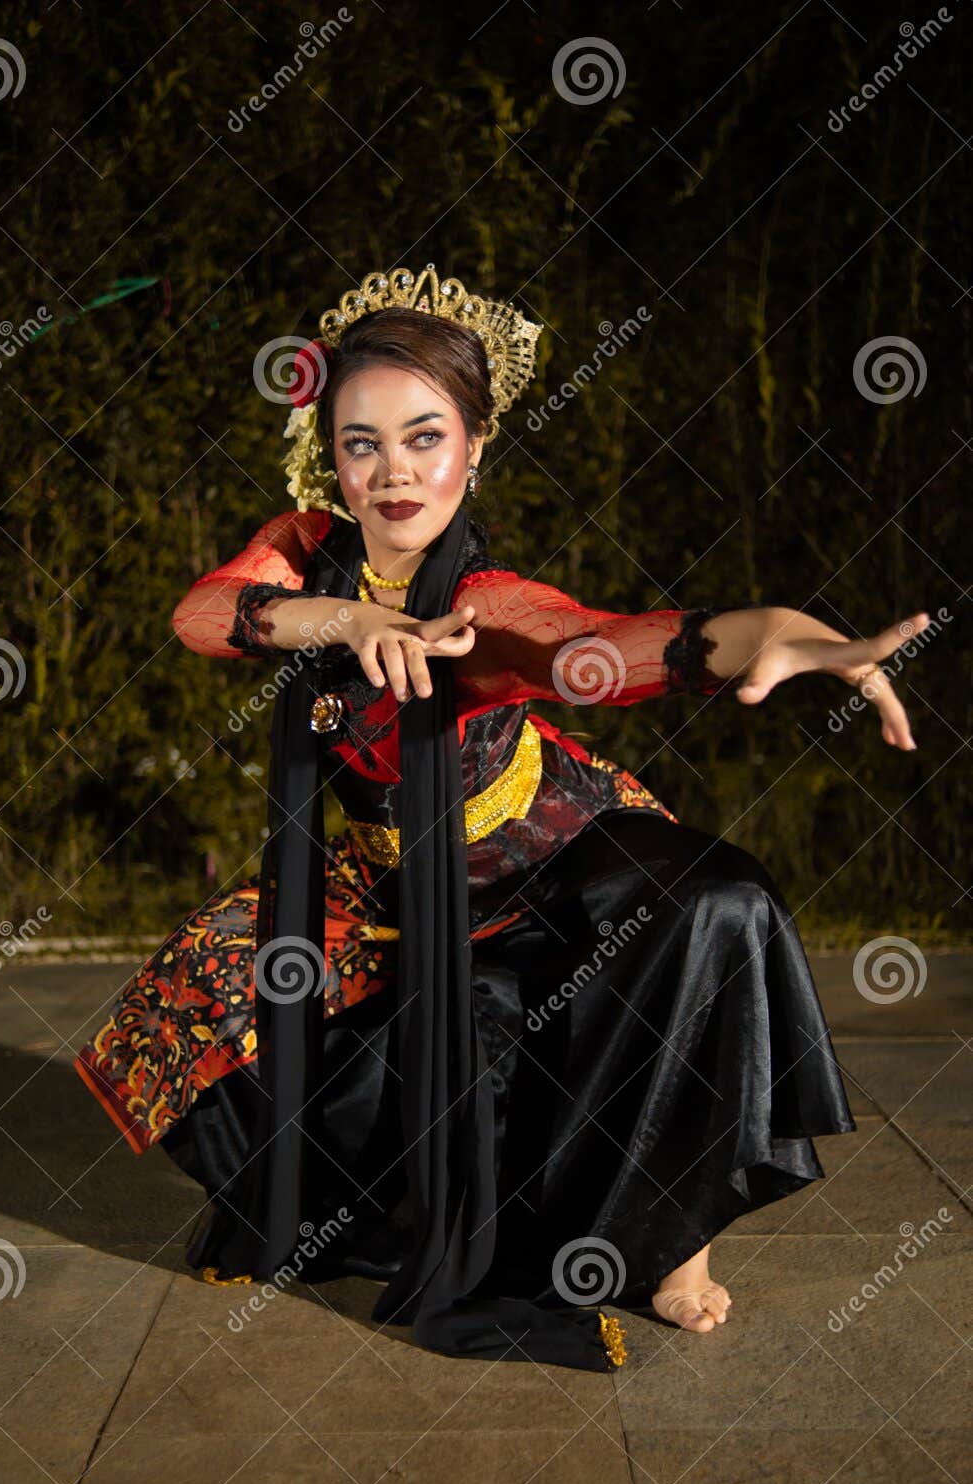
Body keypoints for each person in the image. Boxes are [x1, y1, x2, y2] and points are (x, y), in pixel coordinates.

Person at [74, 264, 927, 1374]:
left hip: (553, 843)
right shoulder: (298, 548)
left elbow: (612, 645)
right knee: (207, 989)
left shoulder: (481, 607)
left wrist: (760, 632)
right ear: (327, 454)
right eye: (361, 441)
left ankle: (671, 1238)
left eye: (424, 437)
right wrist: (341, 617)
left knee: (712, 907)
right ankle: (367, 1216)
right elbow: (201, 615)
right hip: (385, 876)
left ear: (472, 446)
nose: (393, 471)